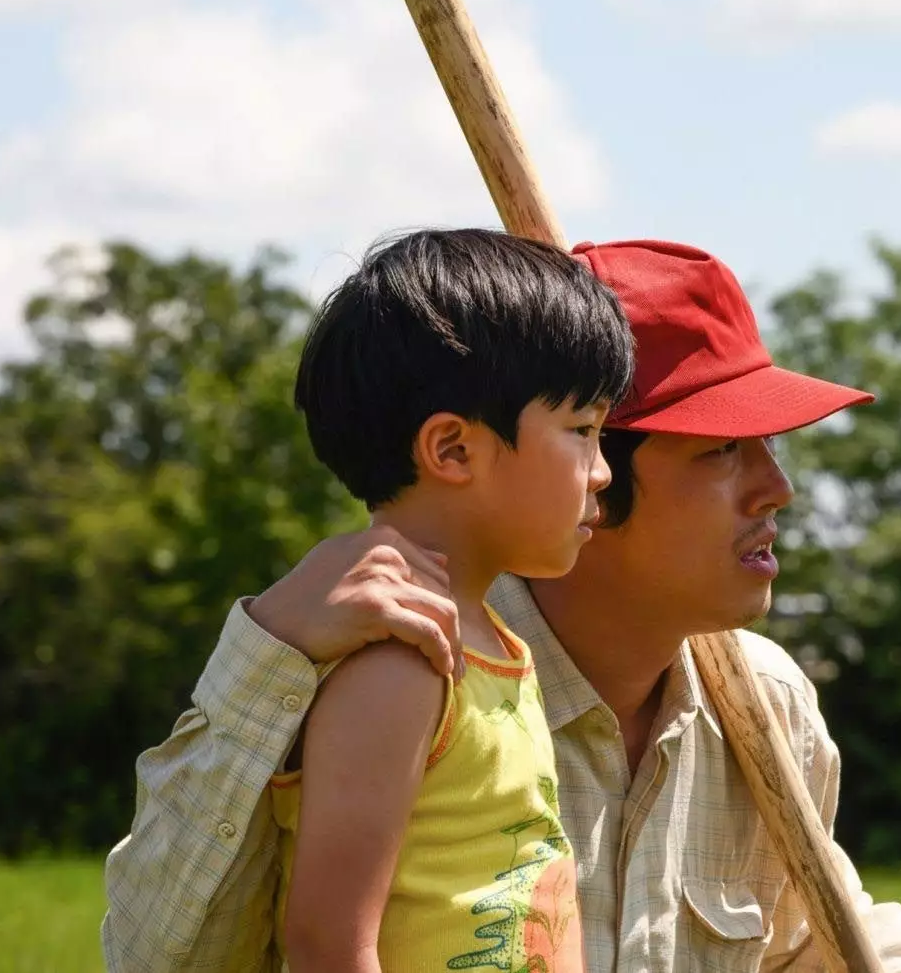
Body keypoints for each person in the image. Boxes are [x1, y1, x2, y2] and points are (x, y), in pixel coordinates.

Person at [101, 237, 901, 973]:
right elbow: (163, 956)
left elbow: (813, 942)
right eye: (724, 449)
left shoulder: (766, 706)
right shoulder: (395, 659)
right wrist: (269, 653)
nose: (780, 488)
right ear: (600, 469)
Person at [267, 227, 633, 971]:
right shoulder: (401, 663)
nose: (601, 472)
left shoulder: (500, 645)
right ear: (454, 450)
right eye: (583, 431)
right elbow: (327, 943)